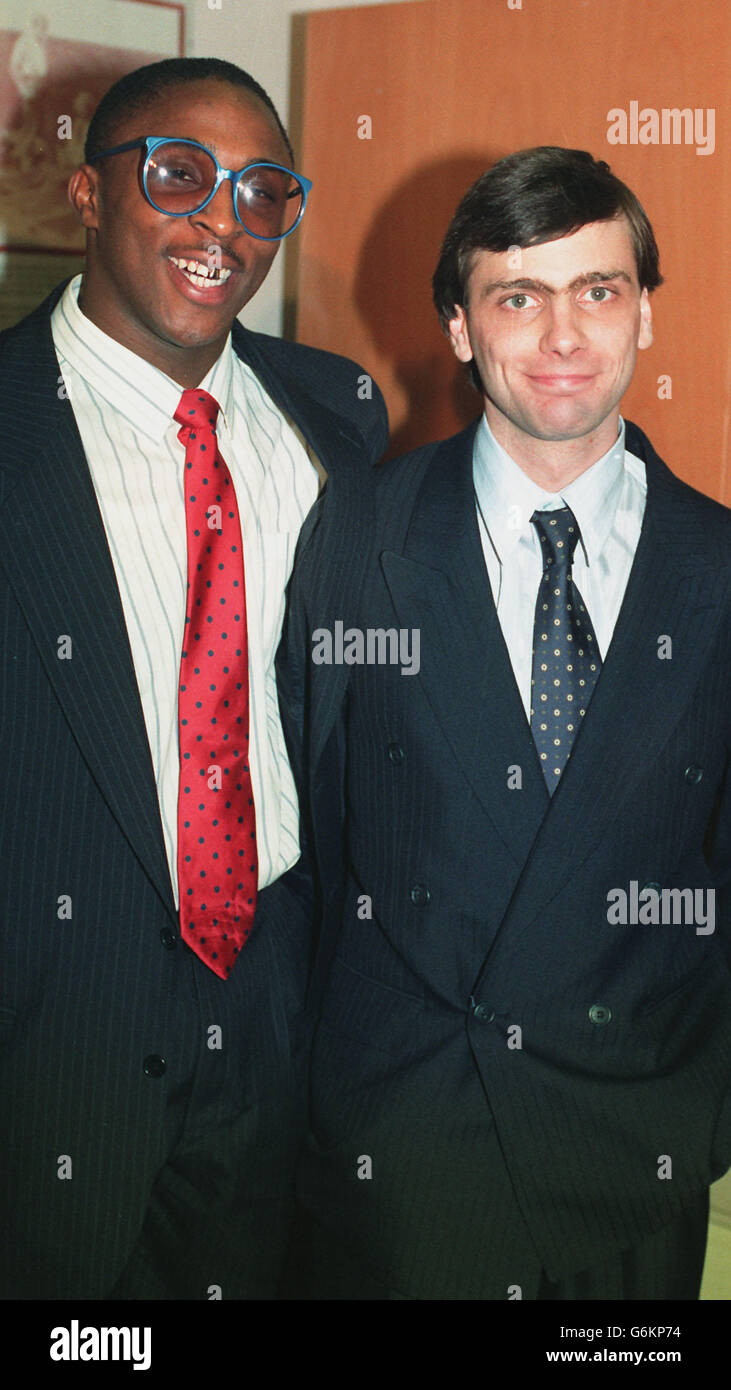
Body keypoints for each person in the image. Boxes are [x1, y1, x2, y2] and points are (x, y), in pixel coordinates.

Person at [280, 147, 731, 1299]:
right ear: (460, 329)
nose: (562, 336)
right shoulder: (355, 537)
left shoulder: (720, 568)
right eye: (516, 298)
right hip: (403, 1159)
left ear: (642, 314)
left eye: (597, 290)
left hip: (630, 1157)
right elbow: (313, 843)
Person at [0, 56, 386, 1299]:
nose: (224, 220)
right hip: (50, 1024)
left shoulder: (335, 417)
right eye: (179, 175)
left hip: (278, 995)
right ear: (87, 195)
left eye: (263, 190)